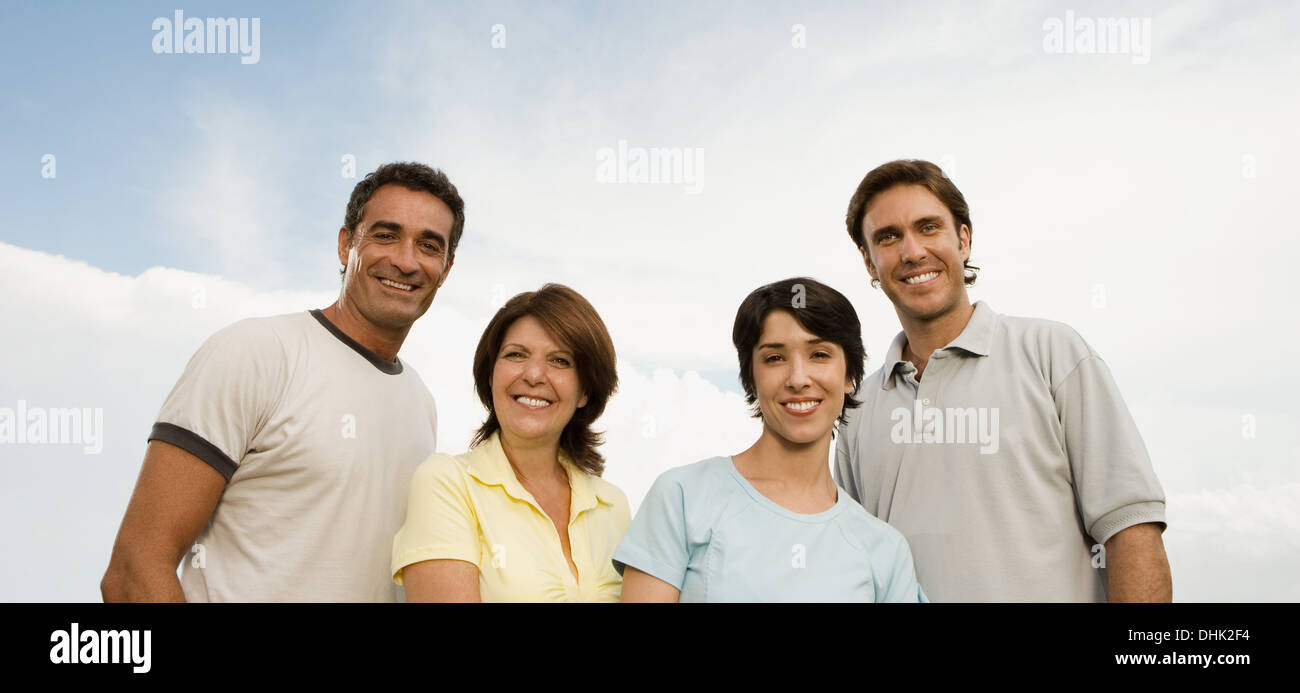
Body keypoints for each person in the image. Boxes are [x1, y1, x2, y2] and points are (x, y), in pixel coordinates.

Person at [101, 162, 463, 602]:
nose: (406, 261)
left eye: (428, 245)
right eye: (385, 235)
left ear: (445, 269)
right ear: (346, 244)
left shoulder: (421, 403)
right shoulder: (255, 352)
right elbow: (133, 569)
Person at [835, 159, 1172, 602]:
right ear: (868, 261)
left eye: (929, 227)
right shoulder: (856, 413)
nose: (912, 251)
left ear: (963, 239)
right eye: (888, 237)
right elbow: (856, 572)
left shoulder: (1053, 353)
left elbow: (1131, 529)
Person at [616, 278, 926, 603]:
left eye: (819, 354)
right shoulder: (681, 498)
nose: (798, 379)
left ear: (849, 376)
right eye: (775, 358)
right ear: (751, 376)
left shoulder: (885, 551)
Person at [393, 284, 629, 601]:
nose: (533, 375)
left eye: (560, 361)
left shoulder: (613, 505)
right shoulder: (447, 483)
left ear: (585, 391)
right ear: (490, 376)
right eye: (516, 355)